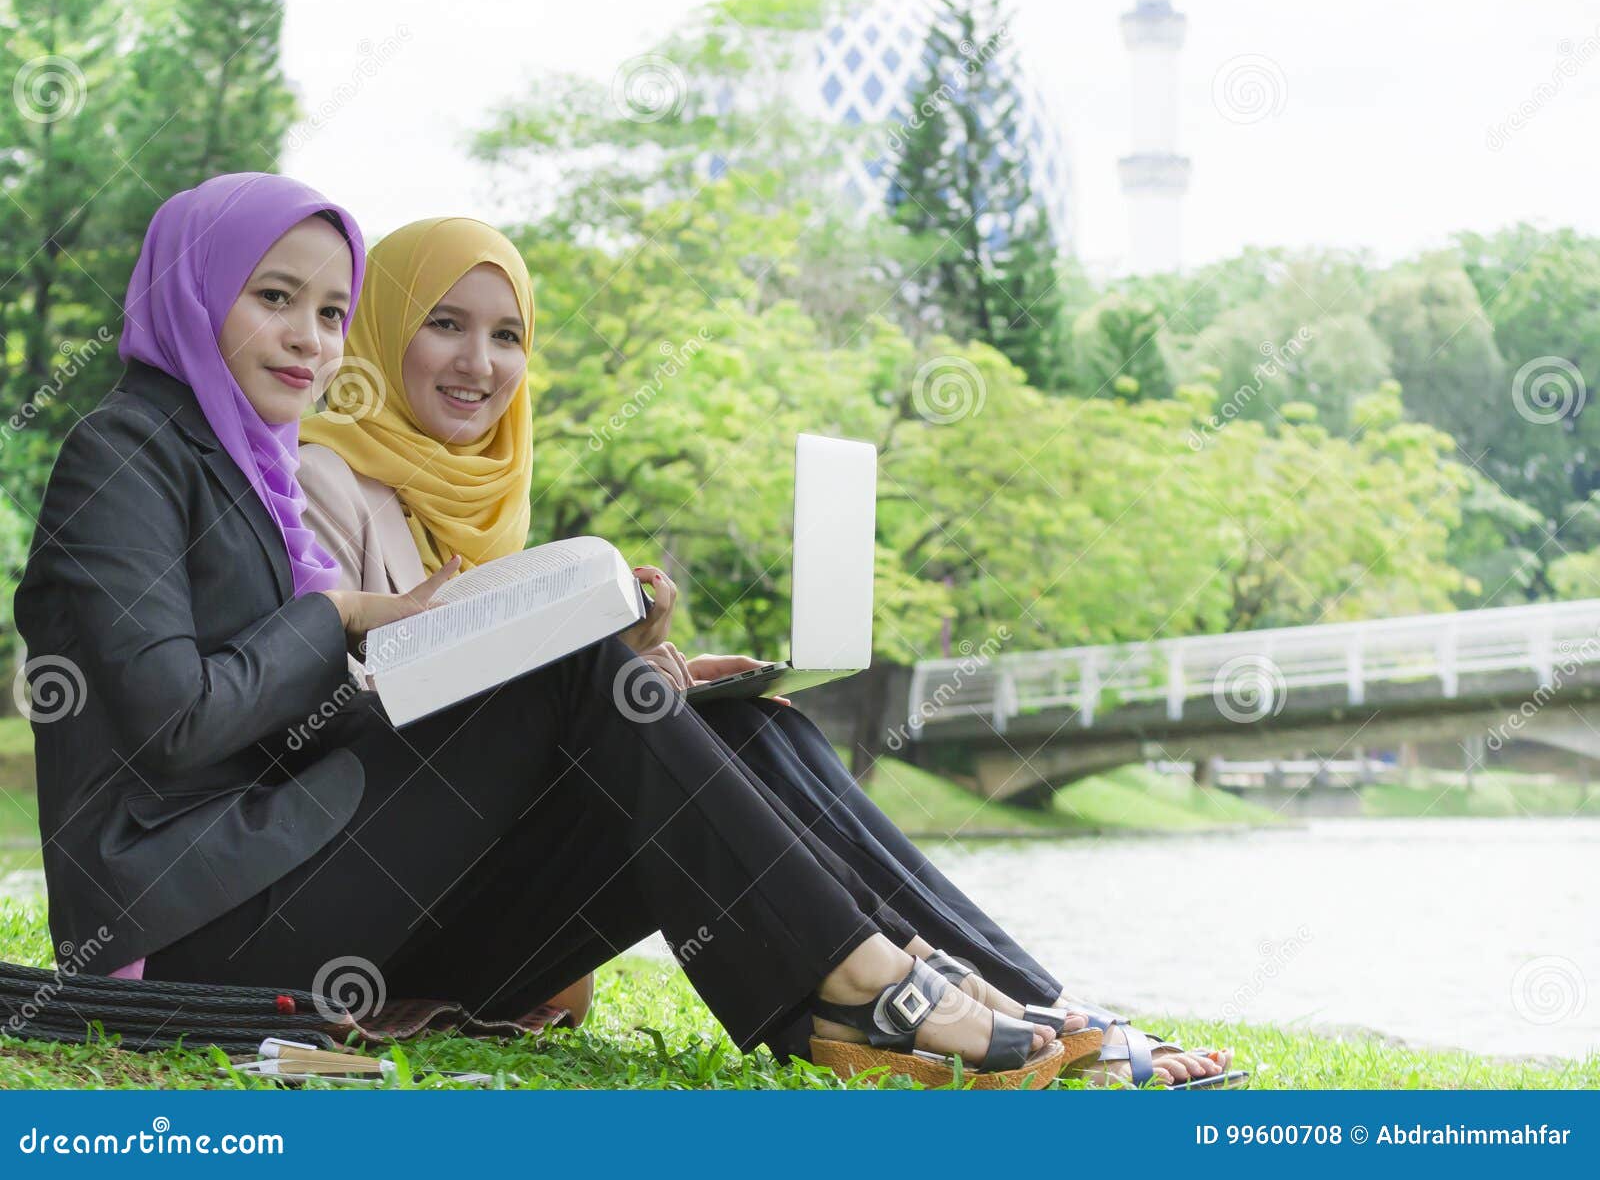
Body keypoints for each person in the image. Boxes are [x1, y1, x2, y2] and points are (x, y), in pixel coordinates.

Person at [14, 173, 1078, 1090]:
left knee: (724, 723)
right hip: (188, 931)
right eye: (275, 298)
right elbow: (176, 726)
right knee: (577, 676)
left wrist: (562, 666)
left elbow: (293, 728)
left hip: (296, 888)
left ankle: (870, 1005)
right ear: (193, 292)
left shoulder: (250, 472)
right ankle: (875, 991)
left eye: (334, 312)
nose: (311, 338)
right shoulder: (125, 453)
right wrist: (338, 616)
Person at [295, 216, 1242, 1088]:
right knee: (641, 698)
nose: (480, 362)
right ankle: (868, 990)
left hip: (491, 878)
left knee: (751, 724)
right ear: (382, 334)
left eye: (508, 336)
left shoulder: (494, 506)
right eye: (445, 325)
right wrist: (569, 673)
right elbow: (322, 722)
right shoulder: (318, 479)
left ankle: (1033, 1005)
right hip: (393, 914)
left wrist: (639, 675)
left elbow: (517, 737)